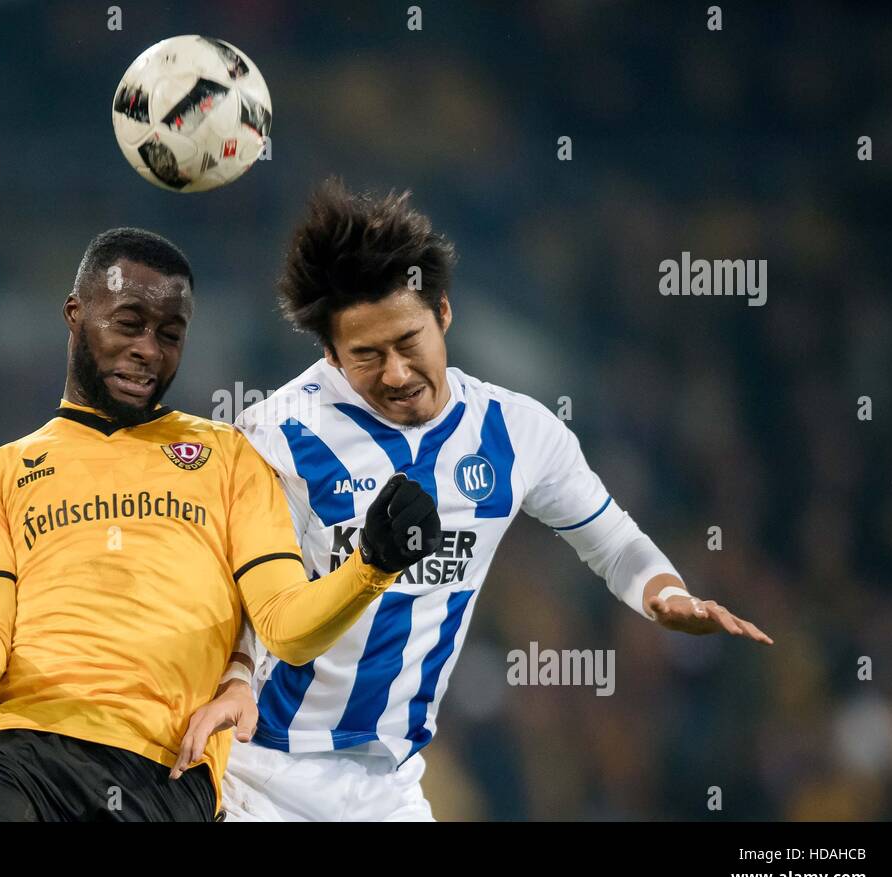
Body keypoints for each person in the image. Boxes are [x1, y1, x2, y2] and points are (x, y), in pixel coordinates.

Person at [171, 181, 773, 821]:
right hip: (260, 774)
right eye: (367, 356)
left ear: (444, 313)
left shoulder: (518, 434)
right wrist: (236, 675)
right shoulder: (276, 435)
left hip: (391, 786)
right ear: (329, 354)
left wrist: (663, 591)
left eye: (408, 342)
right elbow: (248, 593)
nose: (397, 373)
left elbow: (615, 543)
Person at [0, 226, 441, 821]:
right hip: (23, 750)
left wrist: (371, 565)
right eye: (128, 323)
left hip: (164, 776)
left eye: (170, 335)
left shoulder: (232, 458)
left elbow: (286, 629)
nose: (149, 349)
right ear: (75, 313)